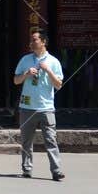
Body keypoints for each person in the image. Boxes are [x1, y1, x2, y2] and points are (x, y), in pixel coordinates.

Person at [14, 28, 65, 180]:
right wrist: (26, 74)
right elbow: (16, 80)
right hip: (27, 107)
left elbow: (58, 85)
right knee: (26, 141)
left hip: (46, 108)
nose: (31, 42)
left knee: (51, 140)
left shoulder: (53, 61)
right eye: (31, 40)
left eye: (35, 40)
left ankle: (56, 171)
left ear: (43, 42)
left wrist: (48, 71)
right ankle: (27, 169)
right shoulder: (25, 60)